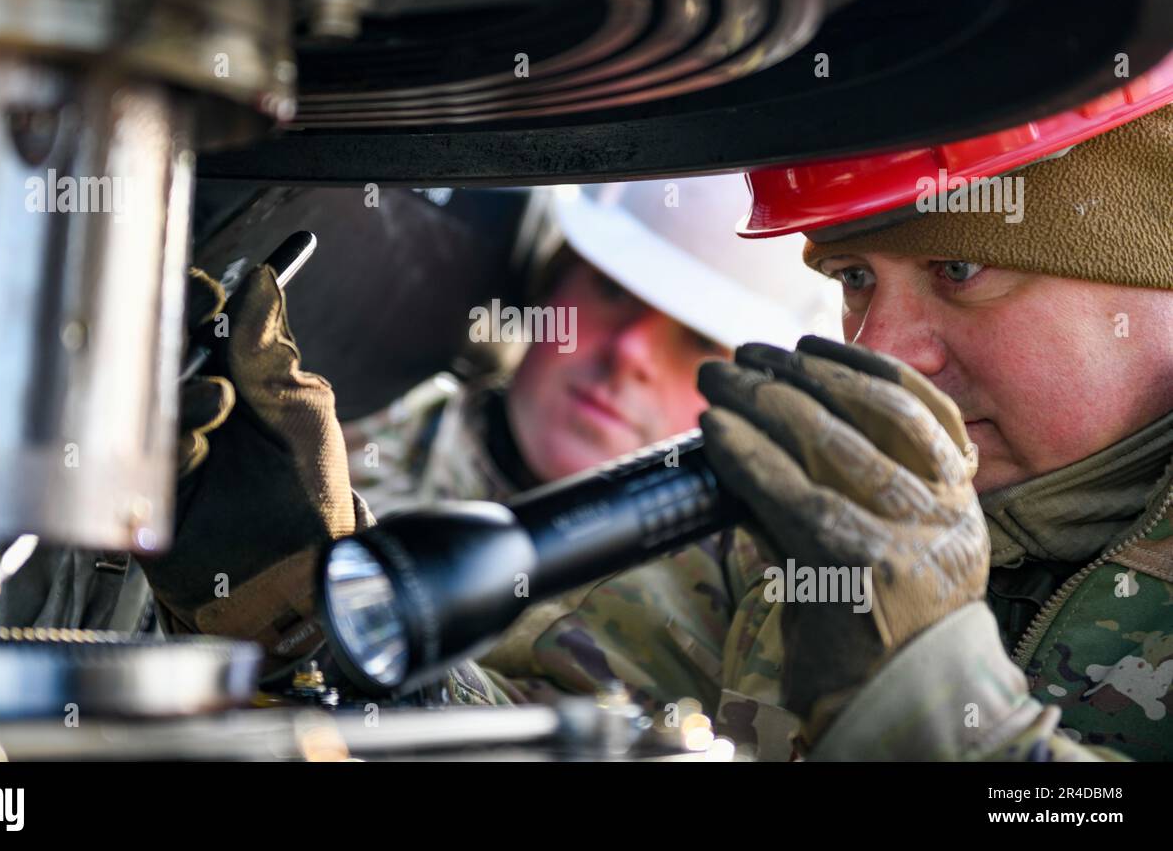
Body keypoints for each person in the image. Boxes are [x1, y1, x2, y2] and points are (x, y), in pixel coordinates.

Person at [146, 70, 1173, 761]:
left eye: (961, 268)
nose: (879, 351)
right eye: (856, 278)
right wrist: (305, 613)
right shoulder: (788, 537)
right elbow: (543, 733)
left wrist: (929, 702)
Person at [340, 177, 837, 673]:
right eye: (613, 288)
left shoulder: (728, 626)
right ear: (550, 281)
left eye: (700, 341)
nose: (630, 351)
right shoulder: (329, 436)